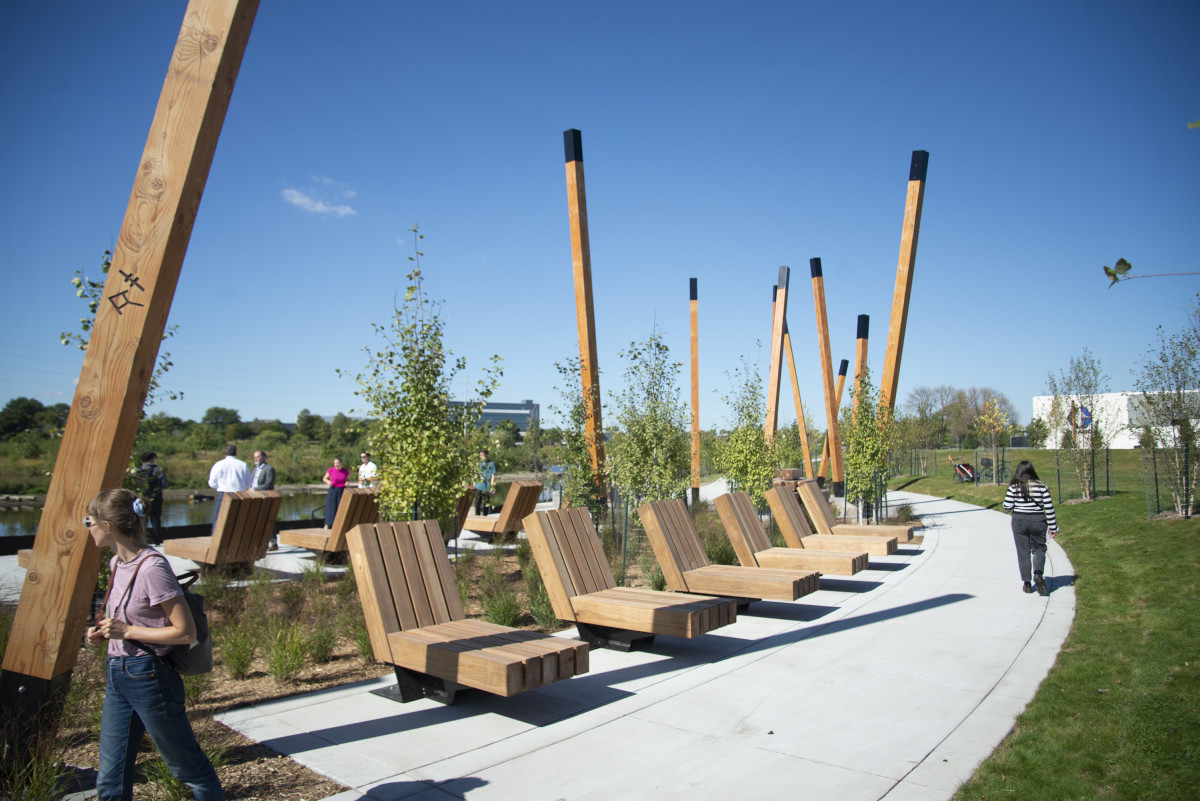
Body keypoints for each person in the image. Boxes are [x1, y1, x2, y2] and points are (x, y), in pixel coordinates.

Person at [84, 488, 225, 801]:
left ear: (107, 525)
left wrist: (127, 631)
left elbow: (184, 633)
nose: (87, 527)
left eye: (88, 521)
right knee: (111, 777)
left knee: (189, 770)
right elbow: (127, 624)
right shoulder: (115, 565)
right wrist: (105, 633)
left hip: (150, 677)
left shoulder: (152, 568)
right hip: (117, 675)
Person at [1002, 460, 1059, 596]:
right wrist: (1053, 527)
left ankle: (1027, 583)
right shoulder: (1042, 486)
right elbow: (1049, 508)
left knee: (1023, 551)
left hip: (1019, 521)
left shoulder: (1014, 487)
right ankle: (1038, 573)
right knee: (1039, 548)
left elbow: (1007, 506)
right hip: (1038, 520)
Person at [207, 445, 251, 525]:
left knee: (218, 520)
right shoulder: (243, 465)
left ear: (225, 453)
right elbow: (249, 483)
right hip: (239, 495)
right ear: (236, 453)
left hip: (224, 494)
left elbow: (212, 483)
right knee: (239, 520)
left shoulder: (218, 464)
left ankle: (217, 536)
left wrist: (220, 485)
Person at [135, 452, 168, 545]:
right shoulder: (157, 470)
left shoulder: (138, 470)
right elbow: (165, 484)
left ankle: (141, 540)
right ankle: (157, 540)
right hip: (156, 498)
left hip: (142, 498)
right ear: (152, 459)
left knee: (142, 519)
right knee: (156, 519)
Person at [252, 450, 279, 550]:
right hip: (255, 497)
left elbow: (269, 484)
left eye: (257, 457)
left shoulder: (269, 469)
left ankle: (273, 542)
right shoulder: (255, 469)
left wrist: (255, 489)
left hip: (265, 496)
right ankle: (260, 543)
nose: (255, 459)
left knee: (268, 520)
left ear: (264, 457)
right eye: (254, 457)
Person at [322, 457, 350, 528]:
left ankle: (340, 524)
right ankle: (327, 524)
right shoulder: (331, 470)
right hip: (333, 490)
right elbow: (324, 478)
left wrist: (347, 483)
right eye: (335, 463)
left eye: (337, 463)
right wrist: (328, 482)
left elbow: (348, 479)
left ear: (341, 463)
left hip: (342, 490)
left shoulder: (345, 471)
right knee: (330, 507)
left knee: (340, 507)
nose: (336, 464)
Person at [474, 449, 496, 515]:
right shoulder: (479, 464)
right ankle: (477, 516)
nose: (481, 457)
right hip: (479, 486)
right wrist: (474, 484)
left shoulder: (491, 464)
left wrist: (491, 486)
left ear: (486, 455)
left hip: (487, 487)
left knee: (486, 502)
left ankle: (485, 516)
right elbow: (476, 475)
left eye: (482, 455)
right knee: (477, 502)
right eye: (480, 455)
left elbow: (493, 476)